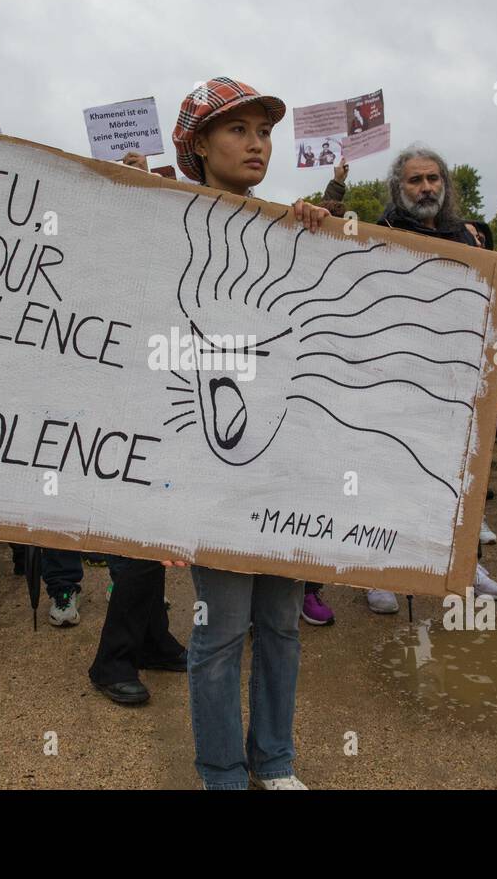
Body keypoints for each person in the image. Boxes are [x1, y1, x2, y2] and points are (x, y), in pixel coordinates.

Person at [164, 76, 330, 789]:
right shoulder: (164, 226)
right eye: (237, 130)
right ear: (198, 144)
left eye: (264, 131)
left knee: (283, 625)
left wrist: (322, 240)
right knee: (222, 629)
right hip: (211, 472)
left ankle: (277, 760)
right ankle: (222, 771)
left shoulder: (294, 229)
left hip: (284, 466)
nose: (257, 143)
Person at [371, 143, 497, 612]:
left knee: (453, 475)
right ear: (398, 187)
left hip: (457, 379)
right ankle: (379, 570)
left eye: (433, 179)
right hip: (398, 378)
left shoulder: (466, 237)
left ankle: (465, 566)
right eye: (415, 180)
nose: (426, 187)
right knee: (392, 473)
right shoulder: (380, 234)